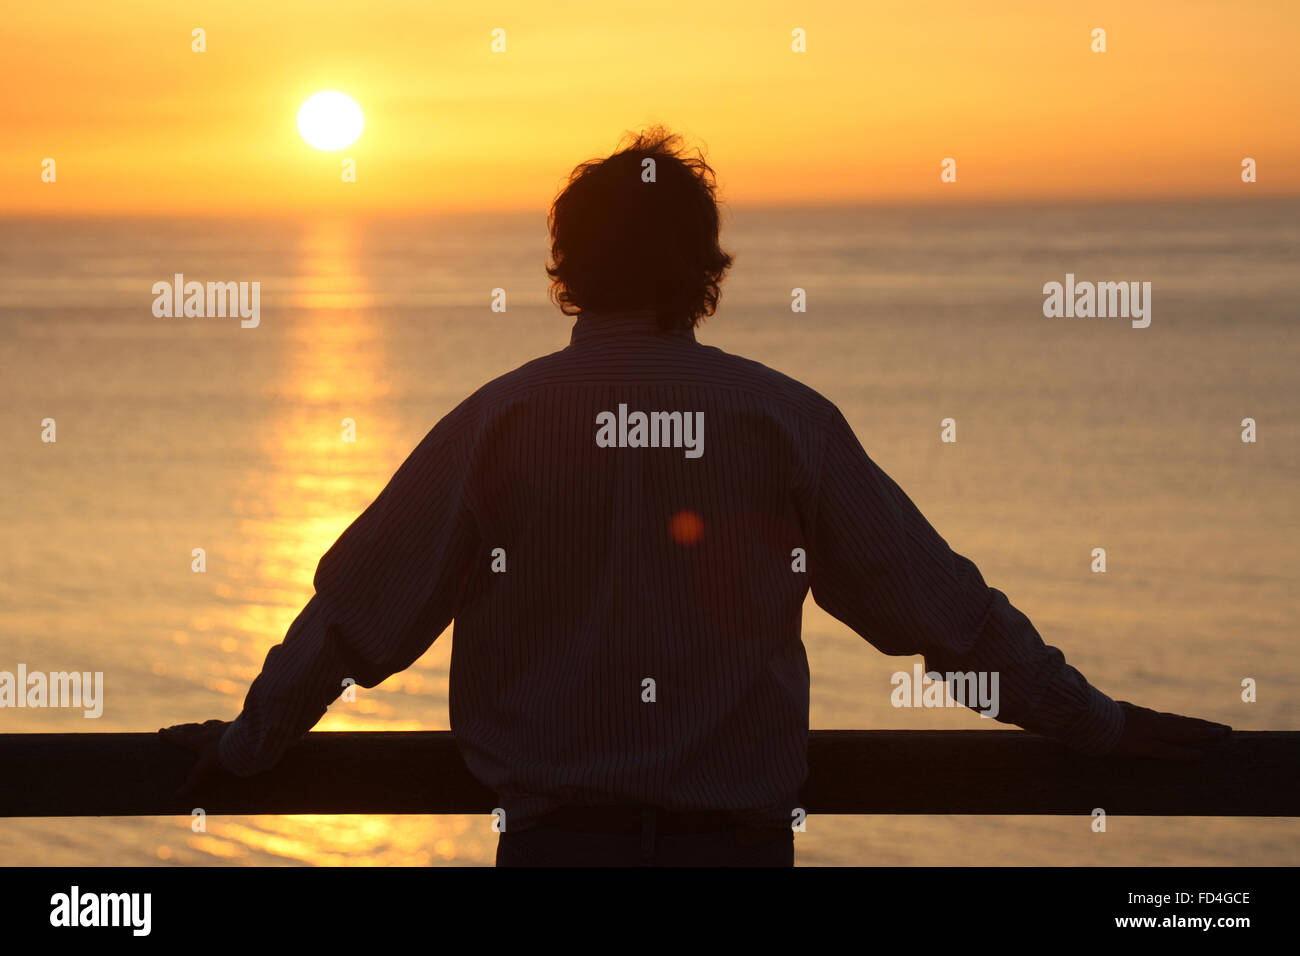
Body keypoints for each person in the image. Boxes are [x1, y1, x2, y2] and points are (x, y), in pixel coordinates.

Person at [163, 127, 1231, 866]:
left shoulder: (498, 422)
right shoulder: (783, 423)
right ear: (704, 268)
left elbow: (356, 619)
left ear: (565, 264)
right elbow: (945, 619)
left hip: (553, 859)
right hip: (736, 858)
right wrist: (1097, 724)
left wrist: (243, 747)